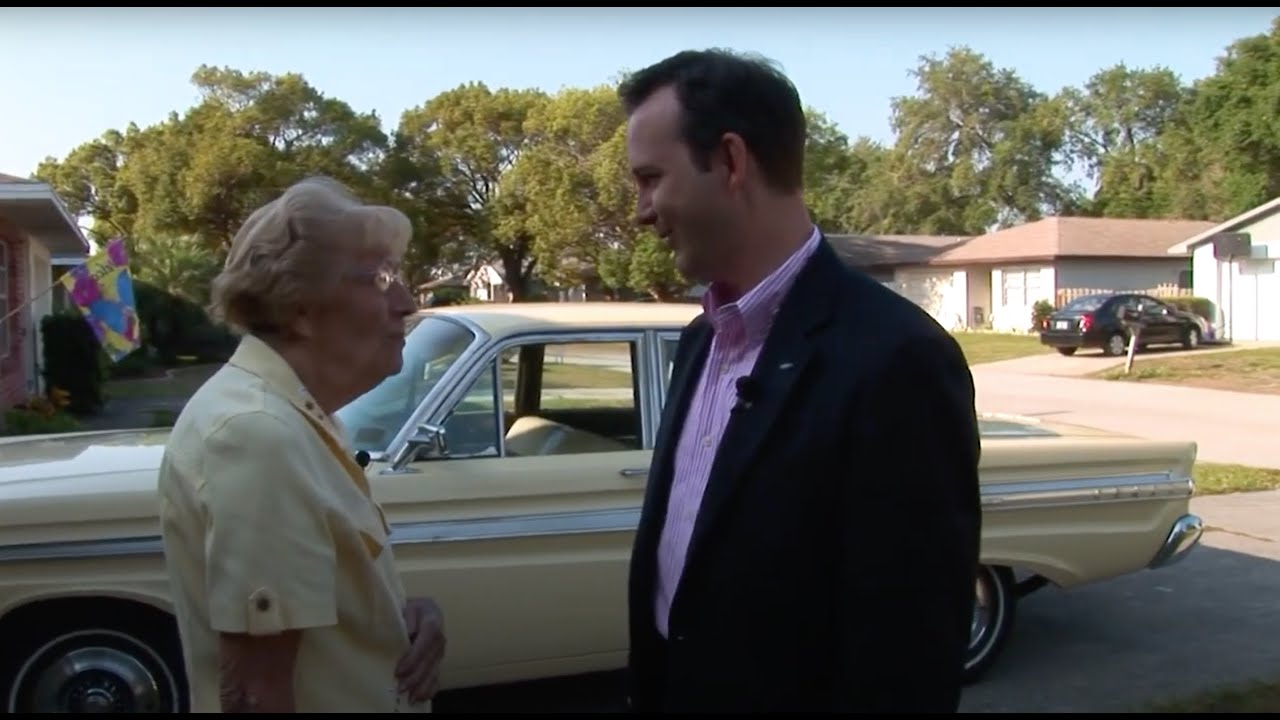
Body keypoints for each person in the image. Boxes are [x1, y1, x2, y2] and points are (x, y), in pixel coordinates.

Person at [620, 49, 983, 713]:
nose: (641, 210)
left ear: (731, 161)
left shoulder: (896, 358)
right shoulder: (702, 340)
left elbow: (908, 653)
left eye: (650, 178)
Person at [157, 176, 446, 713]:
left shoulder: (302, 417)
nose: (406, 303)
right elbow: (253, 695)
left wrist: (398, 616)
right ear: (299, 309)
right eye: (380, 279)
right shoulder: (257, 433)